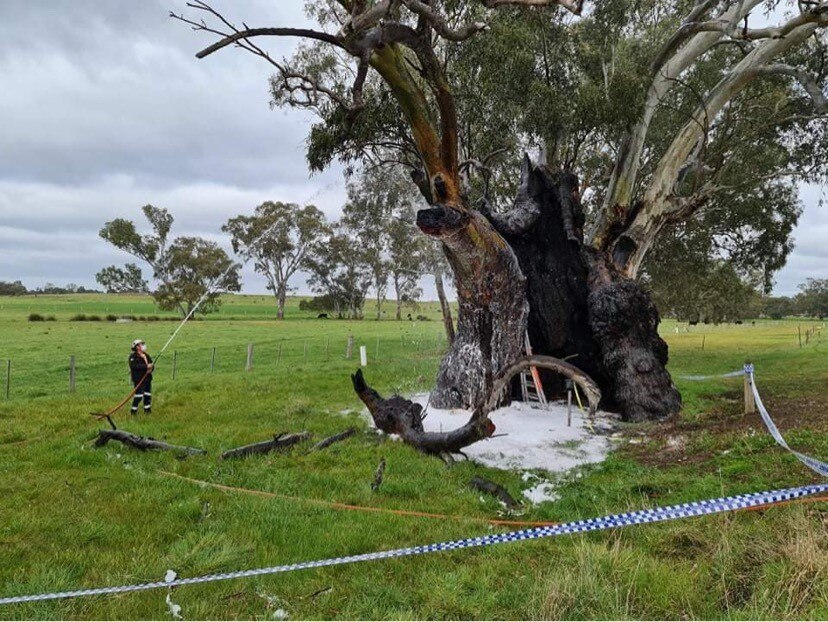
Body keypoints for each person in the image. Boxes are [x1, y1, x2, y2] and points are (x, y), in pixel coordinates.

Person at [128, 339, 154, 414]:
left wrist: (151, 369)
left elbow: (151, 364)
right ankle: (133, 411)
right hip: (139, 380)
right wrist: (146, 366)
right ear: (137, 347)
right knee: (139, 396)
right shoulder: (133, 357)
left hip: (147, 379)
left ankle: (147, 411)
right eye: (141, 344)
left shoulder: (146, 355)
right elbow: (134, 366)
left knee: (147, 395)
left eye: (143, 344)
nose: (143, 346)